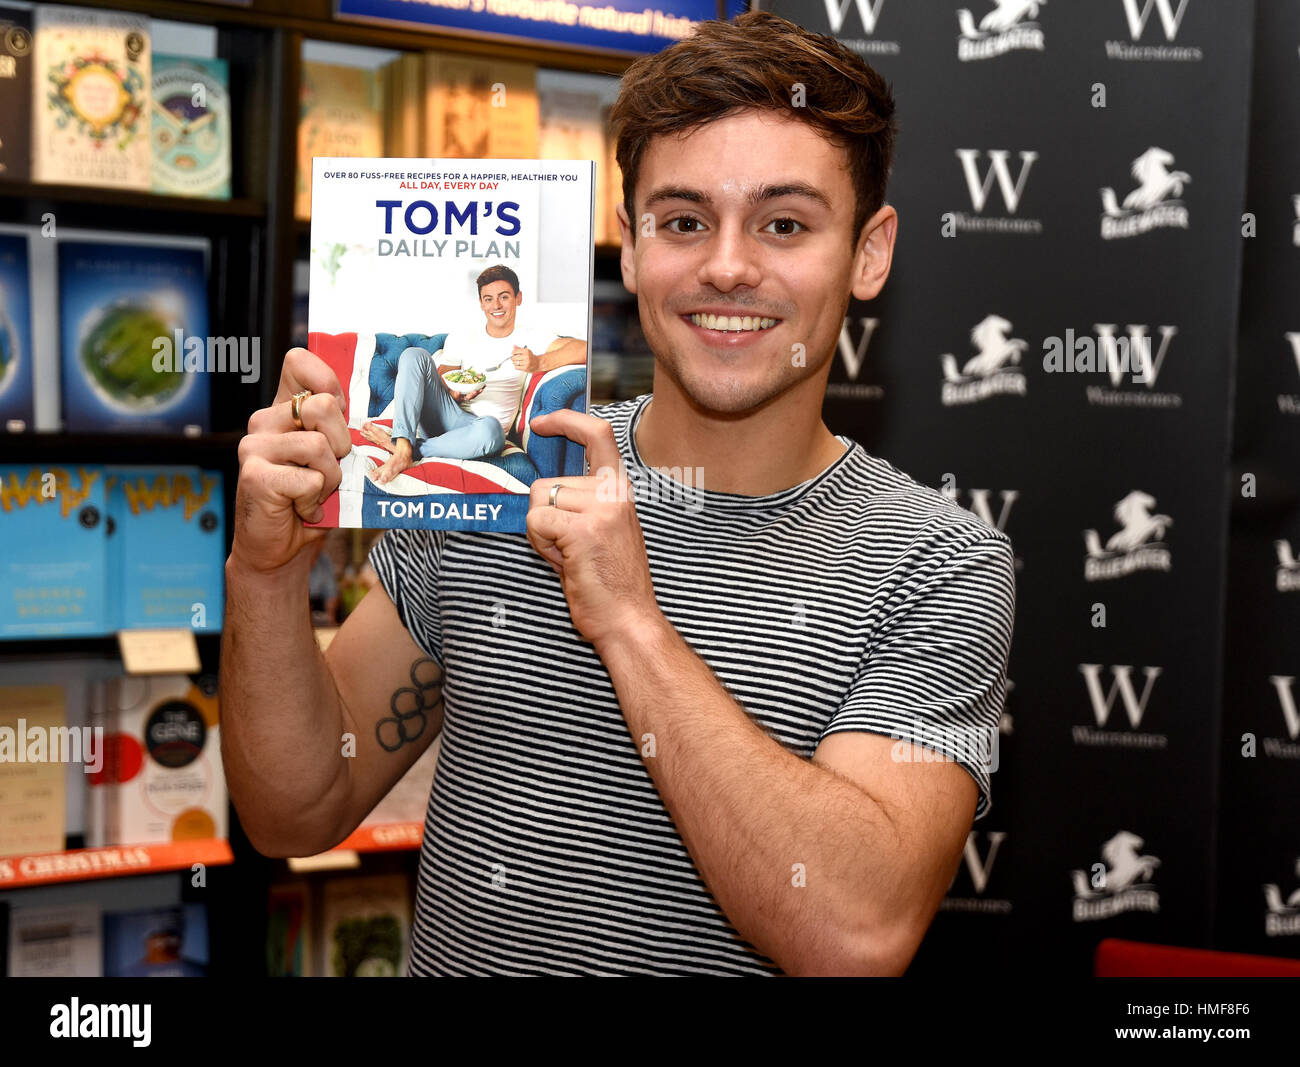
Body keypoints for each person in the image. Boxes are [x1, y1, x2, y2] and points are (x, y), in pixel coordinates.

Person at [223, 10, 1016, 976]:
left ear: (869, 250)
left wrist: (630, 621)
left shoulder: (939, 558)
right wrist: (265, 575)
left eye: (784, 223)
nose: (728, 265)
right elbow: (293, 809)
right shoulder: (507, 477)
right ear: (629, 247)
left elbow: (854, 935)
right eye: (684, 221)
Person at [360, 264, 586, 484]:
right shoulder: (463, 337)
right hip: (448, 415)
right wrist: (454, 392)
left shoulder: (533, 336)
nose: (496, 305)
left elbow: (584, 349)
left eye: (504, 296)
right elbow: (443, 378)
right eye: (488, 299)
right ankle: (403, 446)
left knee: (490, 428)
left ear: (518, 298)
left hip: (482, 432)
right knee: (413, 354)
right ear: (481, 303)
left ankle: (406, 450)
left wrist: (539, 362)